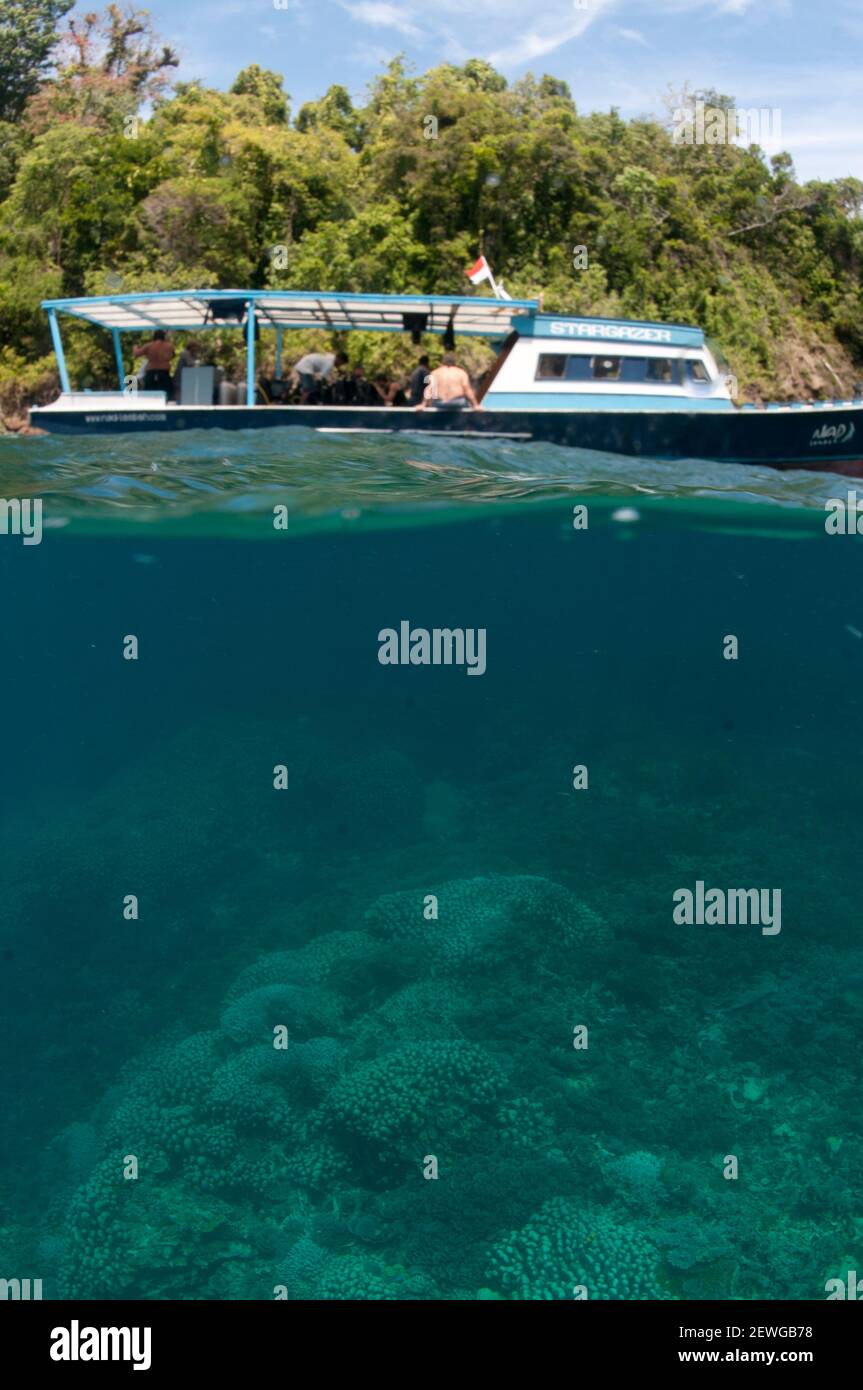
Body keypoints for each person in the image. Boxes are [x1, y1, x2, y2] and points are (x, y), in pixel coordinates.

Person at [416, 353, 481, 411]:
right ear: (455, 362)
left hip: (440, 403)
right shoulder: (461, 373)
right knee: (468, 404)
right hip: (457, 402)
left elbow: (429, 390)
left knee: (432, 403)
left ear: (442, 362)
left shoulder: (435, 373)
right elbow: (467, 389)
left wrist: (423, 405)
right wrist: (475, 405)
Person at [133, 330, 174, 398]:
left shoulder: (149, 346)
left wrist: (135, 346)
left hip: (151, 372)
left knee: (150, 395)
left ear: (154, 337)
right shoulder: (169, 346)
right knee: (166, 395)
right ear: (163, 337)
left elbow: (136, 353)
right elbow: (171, 356)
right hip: (164, 373)